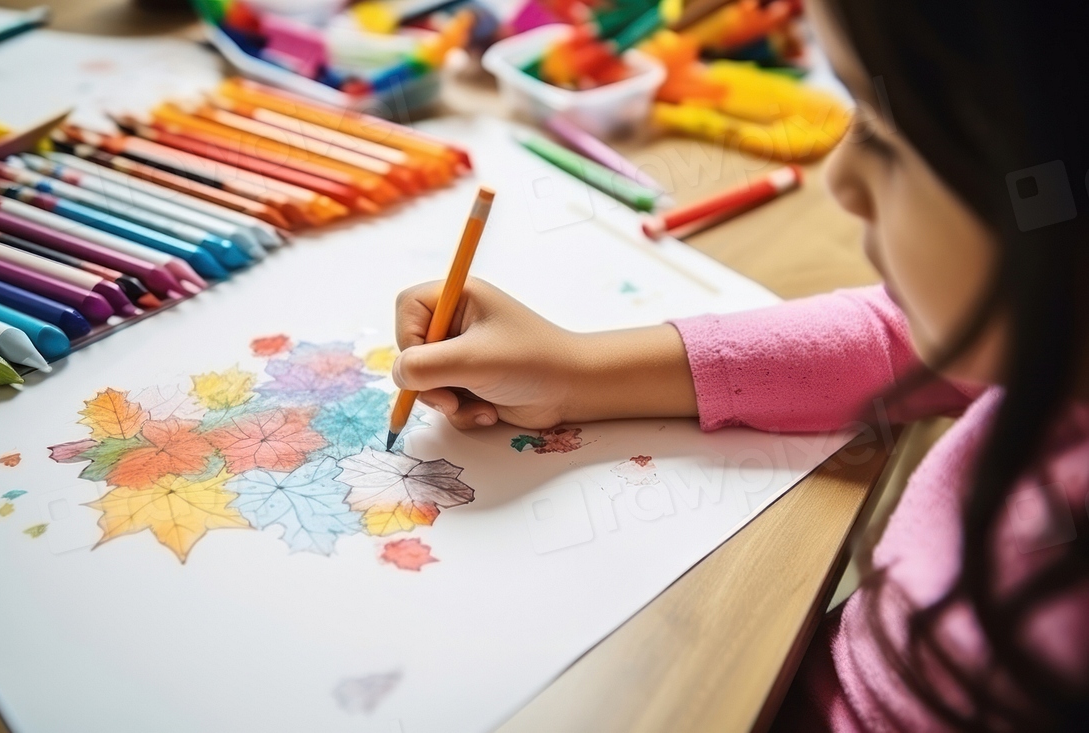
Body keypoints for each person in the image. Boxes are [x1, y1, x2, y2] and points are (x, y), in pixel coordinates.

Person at [392, 0, 1089, 728]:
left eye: (887, 137)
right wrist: (576, 372)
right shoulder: (1048, 337)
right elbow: (901, 335)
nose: (839, 179)